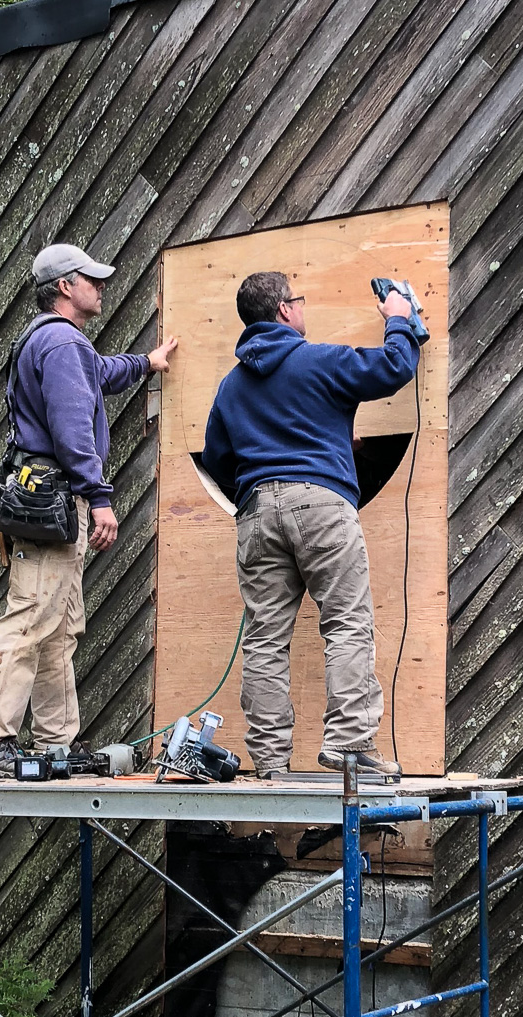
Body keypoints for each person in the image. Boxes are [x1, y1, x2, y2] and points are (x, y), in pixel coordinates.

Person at [0, 244, 177, 778]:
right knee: (31, 617)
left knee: (58, 627)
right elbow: (73, 427)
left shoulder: (59, 343)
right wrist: (100, 497)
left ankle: (58, 743)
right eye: (92, 279)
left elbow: (99, 373)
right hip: (57, 498)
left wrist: (146, 363)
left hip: (50, 499)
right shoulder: (60, 342)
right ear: (64, 287)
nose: (102, 287)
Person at [200, 270, 421, 780]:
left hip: (255, 511)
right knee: (346, 623)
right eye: (298, 300)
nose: (302, 308)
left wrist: (258, 483)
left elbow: (215, 457)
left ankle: (271, 763)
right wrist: (399, 320)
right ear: (283, 310)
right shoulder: (319, 359)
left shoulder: (231, 386)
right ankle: (348, 748)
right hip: (321, 504)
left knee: (264, 640)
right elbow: (394, 367)